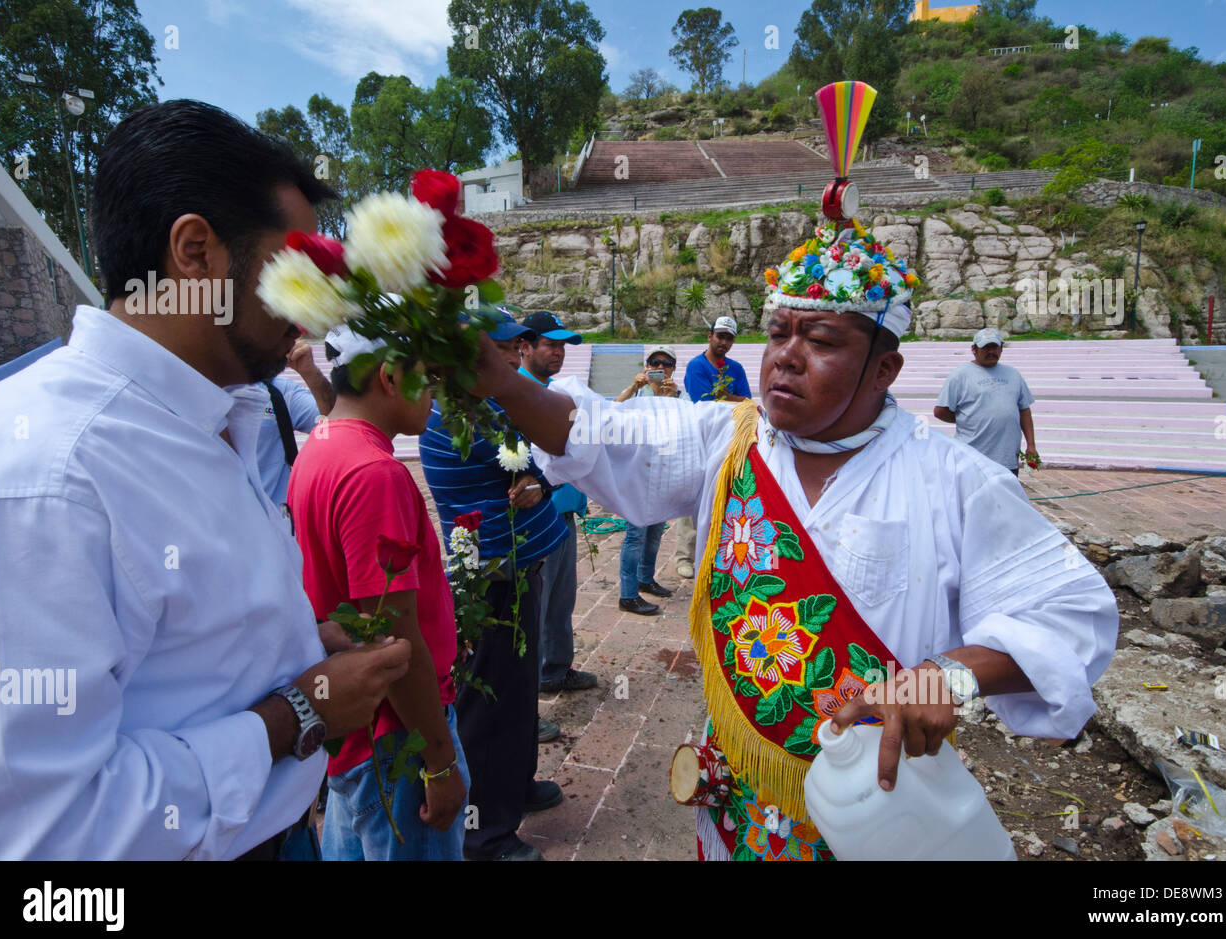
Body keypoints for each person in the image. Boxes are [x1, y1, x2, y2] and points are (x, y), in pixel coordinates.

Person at [466, 207, 1117, 862]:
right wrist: (498, 380)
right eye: (778, 334)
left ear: (886, 369)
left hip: (875, 815)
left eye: (823, 341)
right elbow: (603, 433)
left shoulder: (956, 481)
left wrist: (943, 679)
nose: (785, 358)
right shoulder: (730, 437)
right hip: (737, 805)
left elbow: (1068, 615)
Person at [0, 100, 411, 859]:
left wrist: (294, 646)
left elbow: (178, 649)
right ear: (196, 252)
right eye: (299, 272)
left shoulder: (220, 414)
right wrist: (297, 715)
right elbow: (40, 837)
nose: (315, 313)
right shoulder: (51, 475)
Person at [286, 327, 468, 860]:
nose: (433, 394)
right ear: (390, 377)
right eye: (426, 379)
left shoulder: (321, 445)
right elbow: (394, 636)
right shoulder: (375, 473)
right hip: (394, 737)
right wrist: (439, 762)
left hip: (355, 734)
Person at [419, 312, 569, 861]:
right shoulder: (467, 417)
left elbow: (537, 462)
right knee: (492, 700)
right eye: (504, 348)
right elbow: (550, 451)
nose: (513, 358)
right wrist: (546, 475)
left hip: (510, 566)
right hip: (494, 574)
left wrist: (541, 475)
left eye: (517, 347)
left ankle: (514, 786)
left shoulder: (476, 407)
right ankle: (485, 834)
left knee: (516, 688)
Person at [517, 312, 599, 694]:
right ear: (526, 346)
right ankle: (527, 692)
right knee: (537, 605)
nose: (559, 353)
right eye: (550, 344)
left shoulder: (557, 392)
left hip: (562, 513)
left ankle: (555, 669)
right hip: (537, 515)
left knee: (561, 599)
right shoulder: (519, 394)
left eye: (563, 346)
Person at [675, 315, 753, 578]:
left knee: (721, 496)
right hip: (699, 439)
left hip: (727, 439)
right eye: (720, 336)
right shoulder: (697, 366)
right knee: (693, 495)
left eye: (729, 338)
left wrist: (724, 397)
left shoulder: (736, 369)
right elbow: (703, 403)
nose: (724, 342)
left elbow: (747, 402)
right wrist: (728, 398)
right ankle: (684, 556)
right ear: (709, 336)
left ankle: (713, 552)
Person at [613, 344, 683, 616]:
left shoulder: (678, 396)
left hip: (662, 474)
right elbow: (609, 413)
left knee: (654, 534)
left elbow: (684, 426)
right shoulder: (636, 395)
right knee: (635, 536)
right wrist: (633, 386)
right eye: (655, 362)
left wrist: (670, 395)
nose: (660, 367)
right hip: (637, 476)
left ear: (673, 369)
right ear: (647, 366)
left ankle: (646, 579)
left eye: (666, 363)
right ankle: (628, 595)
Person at [934, 328, 1038, 477]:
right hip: (972, 458)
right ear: (974, 350)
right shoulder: (960, 375)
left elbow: (1024, 410)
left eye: (995, 347)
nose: (991, 352)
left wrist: (1031, 445)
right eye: (986, 348)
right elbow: (940, 411)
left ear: (1001, 348)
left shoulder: (1013, 374)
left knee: (1004, 499)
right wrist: (967, 419)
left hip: (1007, 459)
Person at [257, 338, 334, 508]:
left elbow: (336, 425)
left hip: (275, 527)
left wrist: (311, 374)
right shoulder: (193, 393)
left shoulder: (279, 392)